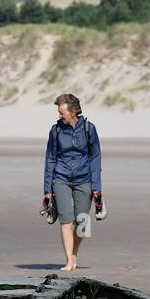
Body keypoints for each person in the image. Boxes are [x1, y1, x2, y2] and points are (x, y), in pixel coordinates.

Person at [41, 92, 102, 272]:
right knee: (66, 221)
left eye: (61, 112)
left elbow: (96, 158)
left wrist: (97, 187)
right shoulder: (56, 130)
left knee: (83, 223)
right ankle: (69, 261)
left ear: (73, 111)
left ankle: (73, 253)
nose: (59, 115)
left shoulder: (89, 129)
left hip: (84, 178)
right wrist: (47, 189)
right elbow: (50, 158)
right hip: (61, 178)